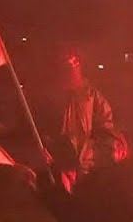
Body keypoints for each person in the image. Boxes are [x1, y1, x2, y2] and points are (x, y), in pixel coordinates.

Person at [50, 52, 116, 189]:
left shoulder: (92, 97)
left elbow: (106, 130)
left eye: (74, 62)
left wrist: (92, 154)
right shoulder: (51, 98)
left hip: (85, 168)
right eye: (67, 63)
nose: (70, 66)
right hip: (57, 166)